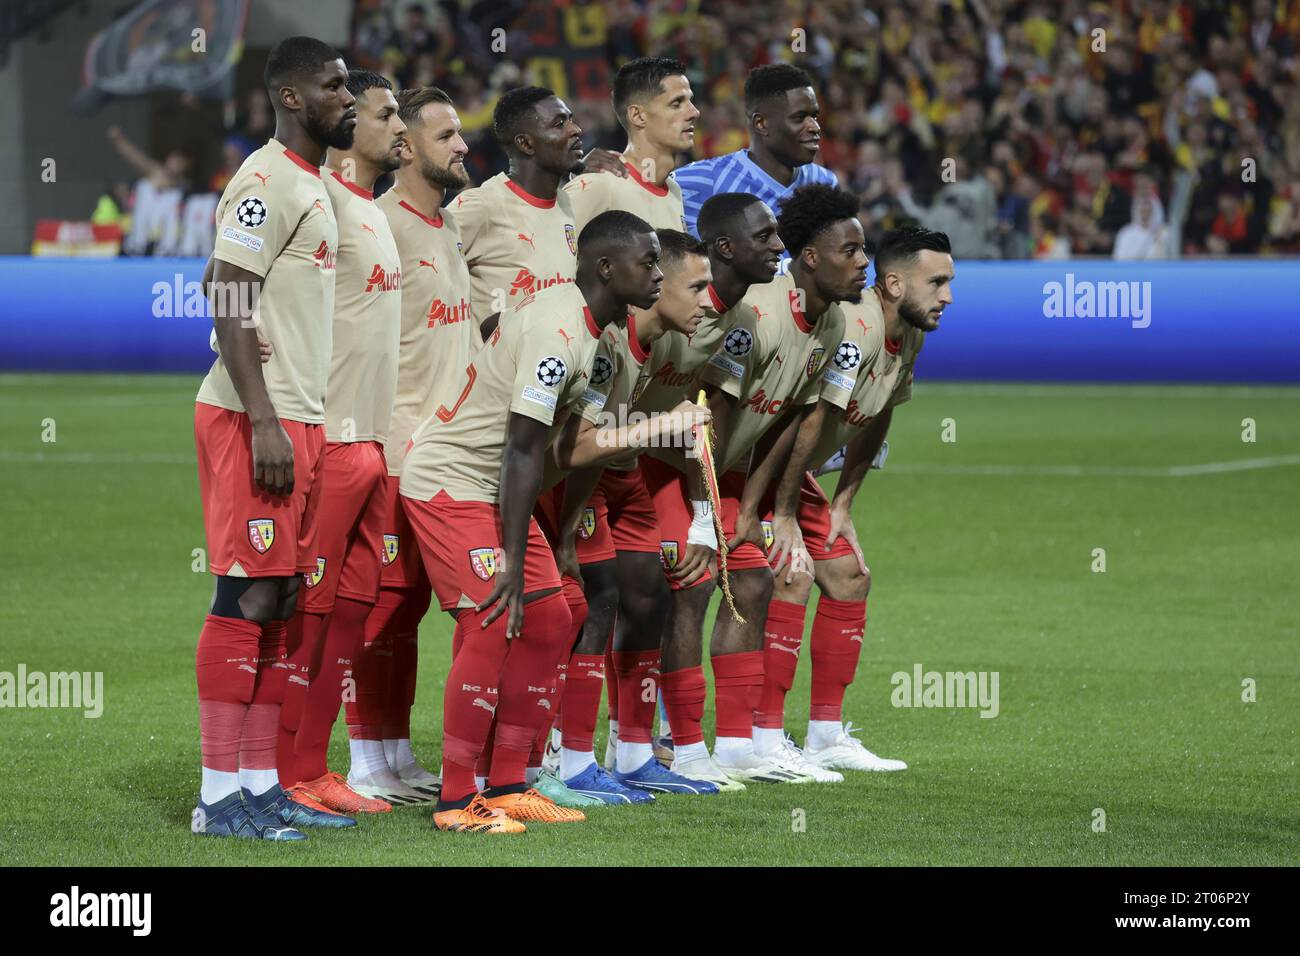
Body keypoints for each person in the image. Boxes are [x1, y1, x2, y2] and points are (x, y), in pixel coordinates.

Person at [398, 211, 680, 832]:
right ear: (607, 267)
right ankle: (454, 799)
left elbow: (570, 449)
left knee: (552, 620)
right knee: (494, 621)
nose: (659, 275)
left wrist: (652, 432)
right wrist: (509, 557)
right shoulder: (559, 329)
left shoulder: (596, 333)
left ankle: (507, 785)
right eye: (649, 263)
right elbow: (523, 449)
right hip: (452, 483)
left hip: (492, 491)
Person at [646, 184, 868, 788]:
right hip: (664, 466)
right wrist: (705, 510)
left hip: (724, 472)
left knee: (750, 578)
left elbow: (788, 419)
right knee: (687, 590)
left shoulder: (826, 323)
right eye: (851, 249)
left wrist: (761, 503)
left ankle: (741, 744)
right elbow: (706, 416)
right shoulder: (756, 318)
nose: (864, 261)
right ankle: (681, 748)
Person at [190, 36, 357, 841]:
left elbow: (221, 278)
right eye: (332, 85)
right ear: (291, 98)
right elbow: (226, 287)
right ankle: (218, 797)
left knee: (284, 596)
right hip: (256, 415)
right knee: (247, 593)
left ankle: (259, 784)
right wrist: (261, 416)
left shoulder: (311, 182)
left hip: (302, 414)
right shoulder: (264, 178)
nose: (347, 96)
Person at [752, 226, 951, 773]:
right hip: (759, 466)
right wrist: (787, 514)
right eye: (936, 282)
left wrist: (843, 504)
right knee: (792, 574)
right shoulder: (855, 329)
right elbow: (806, 419)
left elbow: (880, 411)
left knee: (847, 576)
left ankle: (824, 734)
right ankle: (763, 739)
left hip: (798, 478)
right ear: (892, 283)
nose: (948, 296)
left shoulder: (909, 333)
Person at [539, 229, 723, 799]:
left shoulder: (659, 342)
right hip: (566, 481)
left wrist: (698, 512)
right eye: (696, 288)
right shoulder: (609, 343)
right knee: (595, 603)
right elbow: (571, 449)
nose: (706, 302)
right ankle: (565, 760)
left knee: (651, 596)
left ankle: (634, 752)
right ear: (657, 282)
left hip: (616, 474)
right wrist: (568, 529)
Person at [274, 70, 413, 814]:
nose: (401, 129)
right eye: (387, 115)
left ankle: (316, 769)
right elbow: (230, 291)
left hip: (374, 446)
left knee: (353, 615)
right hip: (328, 440)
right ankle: (278, 771)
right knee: (310, 615)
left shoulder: (370, 210)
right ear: (349, 123)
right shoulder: (316, 199)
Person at [357, 85, 475, 802]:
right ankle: (365, 759)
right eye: (446, 135)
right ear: (405, 148)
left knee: (413, 612)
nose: (463, 145)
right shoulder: (379, 228)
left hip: (448, 456)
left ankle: (396, 755)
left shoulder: (449, 225)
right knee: (383, 608)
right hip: (398, 453)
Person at [453, 86, 584, 323]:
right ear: (525, 143)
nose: (576, 130)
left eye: (571, 120)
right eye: (559, 124)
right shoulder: (479, 206)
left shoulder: (566, 202)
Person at [673, 63, 838, 238]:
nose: (815, 127)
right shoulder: (704, 179)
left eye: (814, 116)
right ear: (761, 124)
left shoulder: (825, 182)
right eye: (799, 118)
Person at [565, 56, 698, 233]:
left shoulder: (673, 189)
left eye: (690, 100)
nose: (694, 112)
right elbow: (548, 252)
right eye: (677, 103)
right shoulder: (599, 184)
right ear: (638, 116)